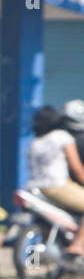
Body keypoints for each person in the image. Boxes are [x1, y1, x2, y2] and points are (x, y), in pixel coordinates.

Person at [26, 104, 84, 260]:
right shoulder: (62, 137)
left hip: (35, 188)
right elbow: (77, 170)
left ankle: (32, 265)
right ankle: (77, 246)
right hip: (57, 186)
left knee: (40, 231)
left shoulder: (35, 142)